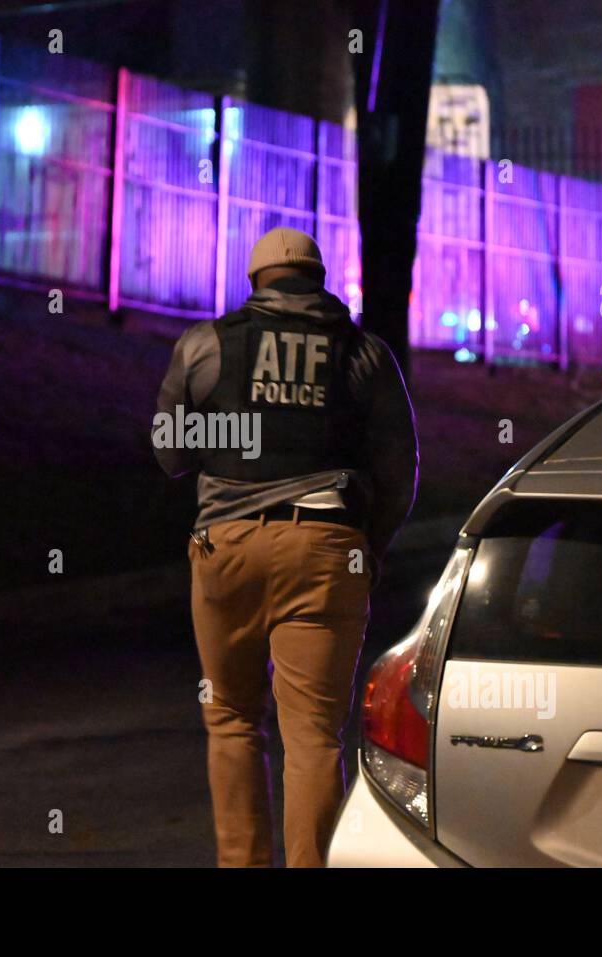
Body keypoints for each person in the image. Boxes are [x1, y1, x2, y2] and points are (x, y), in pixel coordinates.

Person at [153, 226, 418, 867]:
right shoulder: (364, 353)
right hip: (326, 547)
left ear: (255, 282)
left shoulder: (207, 343)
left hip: (227, 550)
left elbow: (170, 453)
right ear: (319, 281)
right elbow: (401, 469)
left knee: (232, 720)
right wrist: (369, 549)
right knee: (314, 736)